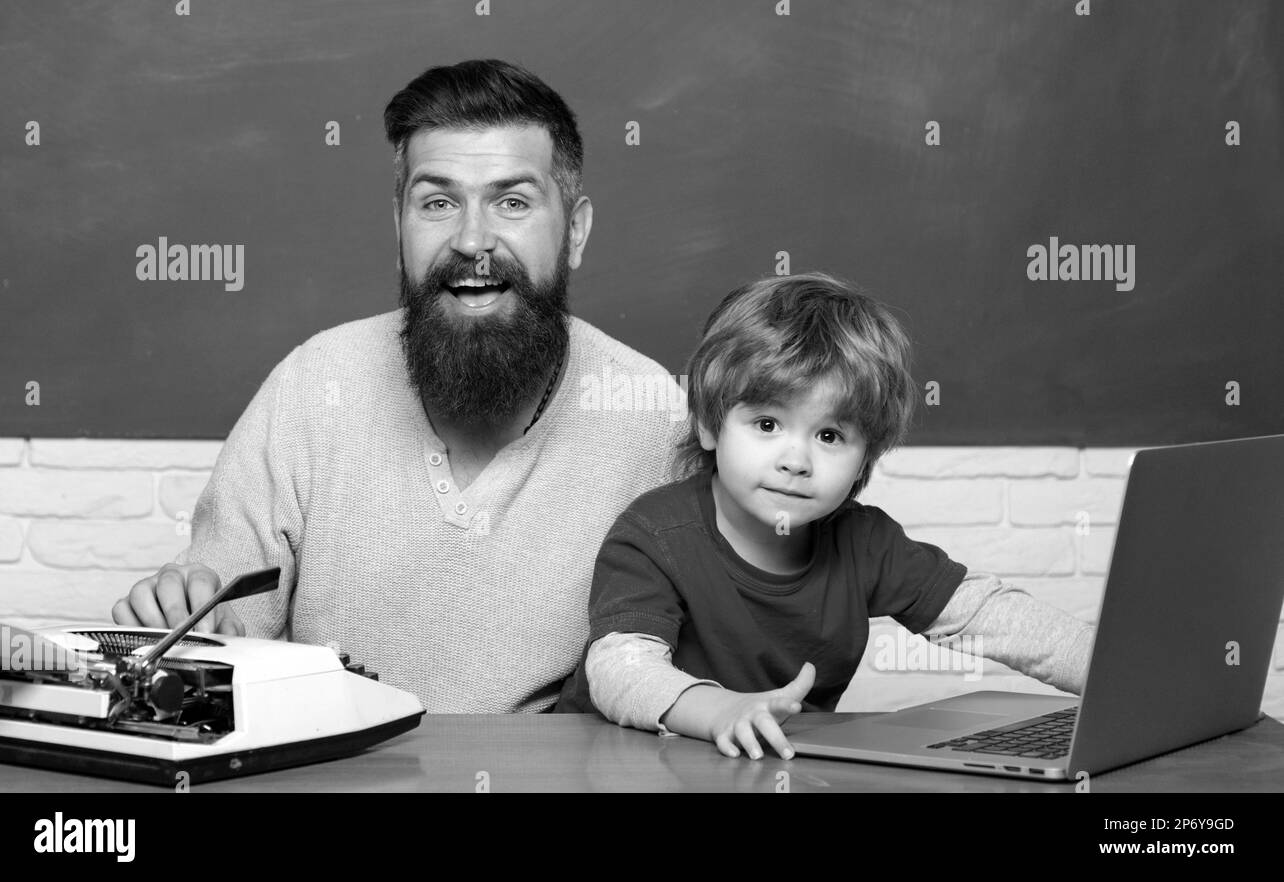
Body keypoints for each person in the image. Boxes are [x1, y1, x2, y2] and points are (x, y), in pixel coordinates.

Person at [111, 59, 685, 713]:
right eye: (437, 203)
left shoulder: (653, 414)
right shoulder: (313, 383)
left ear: (575, 231)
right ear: (398, 226)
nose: (473, 240)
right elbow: (225, 604)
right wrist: (186, 610)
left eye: (513, 202)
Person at [556, 272, 1095, 759]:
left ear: (866, 459)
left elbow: (982, 614)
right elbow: (619, 667)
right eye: (767, 424)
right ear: (710, 427)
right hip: (611, 763)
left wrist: (1118, 671)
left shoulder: (864, 542)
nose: (796, 460)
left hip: (763, 765)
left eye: (830, 435)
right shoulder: (655, 534)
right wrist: (716, 709)